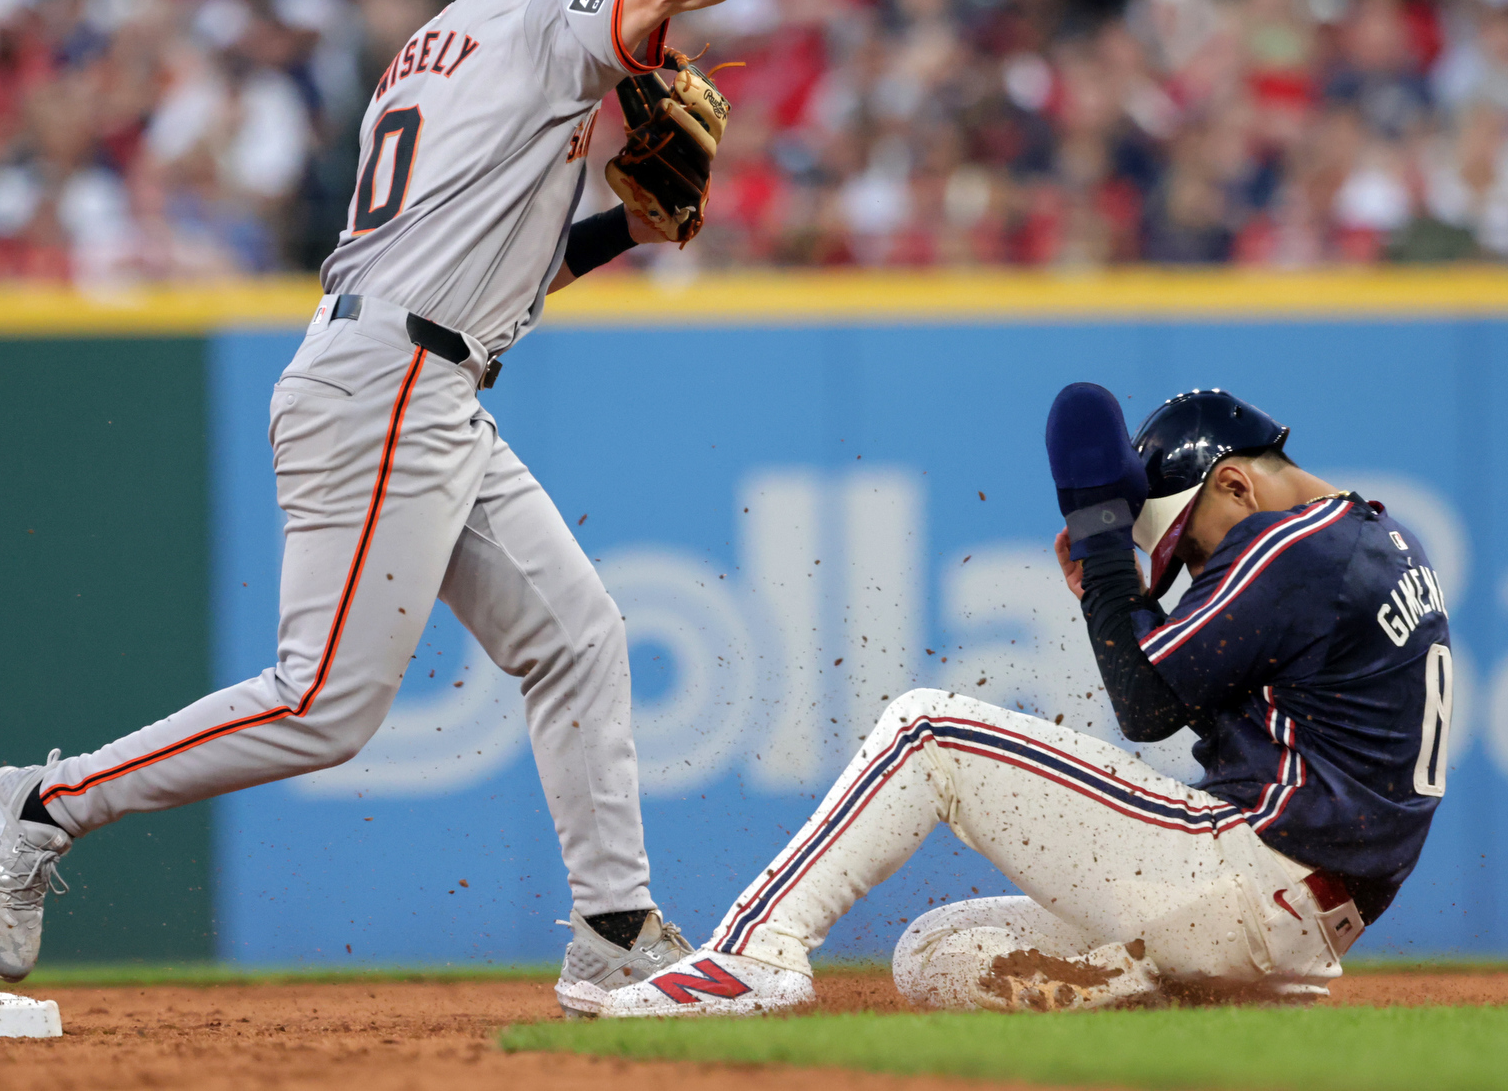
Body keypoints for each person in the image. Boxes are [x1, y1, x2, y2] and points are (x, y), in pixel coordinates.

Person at [0, 0, 967, 1008]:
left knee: (577, 638)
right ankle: (46, 803)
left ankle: (615, 930)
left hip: (413, 374)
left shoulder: (441, 47)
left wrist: (626, 230)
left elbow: (495, 274)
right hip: (389, 385)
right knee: (322, 706)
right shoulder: (541, 11)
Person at [572, 385, 1453, 1016]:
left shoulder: (1290, 544)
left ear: (1235, 484)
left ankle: (751, 955)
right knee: (933, 954)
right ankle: (1192, 988)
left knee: (926, 730)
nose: (1194, 566)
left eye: (1187, 544)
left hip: (1246, 870)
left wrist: (1105, 549)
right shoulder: (1374, 537)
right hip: (1291, 919)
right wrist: (1113, 593)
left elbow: (1146, 708)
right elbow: (1197, 696)